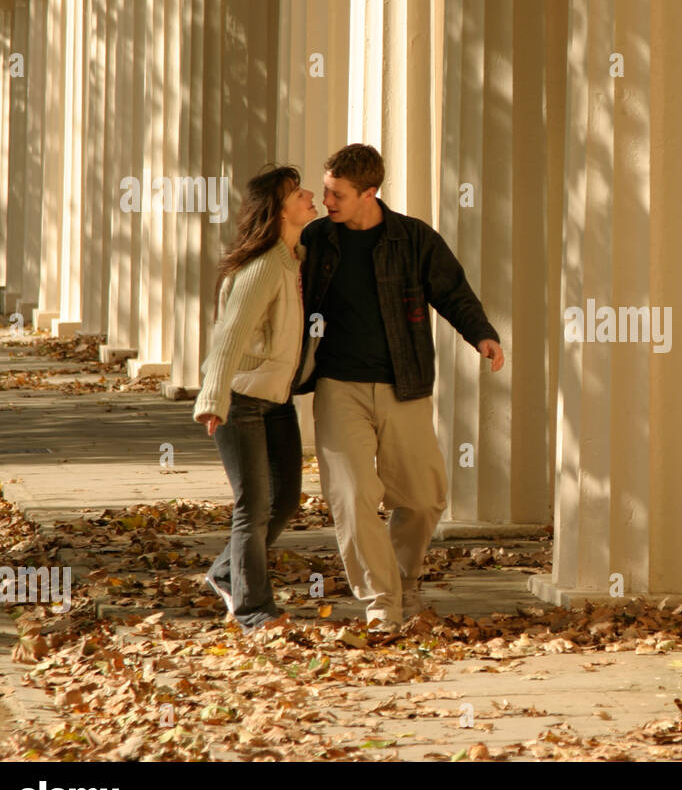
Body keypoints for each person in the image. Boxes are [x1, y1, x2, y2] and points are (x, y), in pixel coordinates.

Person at [294, 144, 505, 632]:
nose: (327, 201)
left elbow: (452, 291)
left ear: (370, 193)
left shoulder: (413, 239)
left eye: (337, 194)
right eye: (325, 191)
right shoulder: (318, 240)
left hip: (403, 384)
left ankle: (403, 575)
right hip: (337, 384)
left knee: (424, 497)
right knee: (352, 494)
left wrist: (483, 335)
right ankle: (382, 600)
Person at [193, 165, 318, 632]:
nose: (309, 196)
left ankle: (226, 572)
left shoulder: (296, 258)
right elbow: (229, 335)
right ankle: (253, 610)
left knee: (284, 501)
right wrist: (213, 398)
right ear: (279, 209)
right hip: (240, 399)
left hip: (277, 401)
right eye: (297, 192)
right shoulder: (265, 266)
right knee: (253, 503)